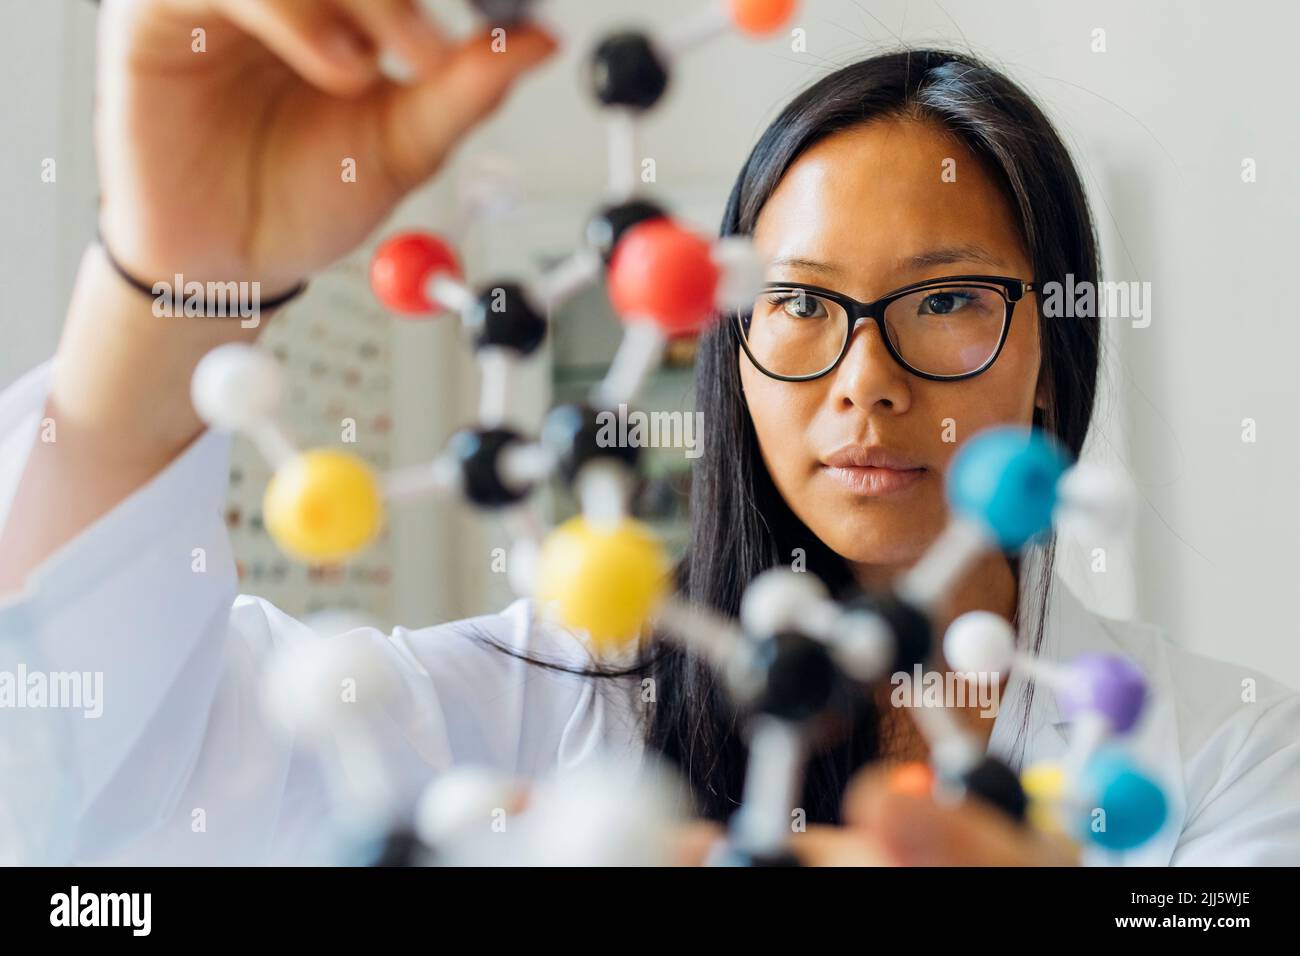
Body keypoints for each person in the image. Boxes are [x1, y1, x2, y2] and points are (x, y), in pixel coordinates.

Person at [1, 0, 1297, 866]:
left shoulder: (1225, 750)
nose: (863, 382)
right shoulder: (542, 695)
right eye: (796, 303)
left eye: (947, 300)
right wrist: (175, 272)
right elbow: (95, 794)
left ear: (1052, 358)